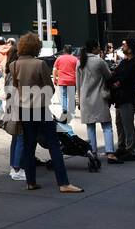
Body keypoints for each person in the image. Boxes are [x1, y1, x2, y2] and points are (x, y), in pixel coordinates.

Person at [9, 33, 82, 193]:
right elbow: (50, 88)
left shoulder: (14, 65)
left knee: (29, 145)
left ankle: (31, 181)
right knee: (53, 144)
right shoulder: (39, 64)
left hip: (23, 109)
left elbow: (15, 88)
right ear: (36, 47)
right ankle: (63, 183)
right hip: (40, 108)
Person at [77, 40, 115, 161]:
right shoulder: (99, 62)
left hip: (85, 99)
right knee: (107, 125)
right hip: (99, 98)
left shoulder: (79, 62)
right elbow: (109, 76)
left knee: (90, 126)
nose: (100, 48)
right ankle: (109, 152)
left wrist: (78, 100)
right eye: (98, 46)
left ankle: (93, 152)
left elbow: (77, 83)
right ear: (94, 49)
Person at [110, 38, 135, 162]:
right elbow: (116, 75)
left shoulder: (134, 63)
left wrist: (117, 82)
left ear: (130, 48)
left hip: (128, 98)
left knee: (127, 124)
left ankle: (130, 149)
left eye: (125, 45)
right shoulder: (124, 62)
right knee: (119, 123)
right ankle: (122, 146)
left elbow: (123, 79)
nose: (122, 47)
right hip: (120, 98)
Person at [53, 45, 78, 119]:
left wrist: (55, 79)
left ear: (64, 50)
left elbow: (55, 69)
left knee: (64, 95)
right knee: (71, 96)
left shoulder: (59, 58)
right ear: (71, 51)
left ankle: (64, 110)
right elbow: (78, 70)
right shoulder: (75, 59)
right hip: (72, 80)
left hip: (62, 81)